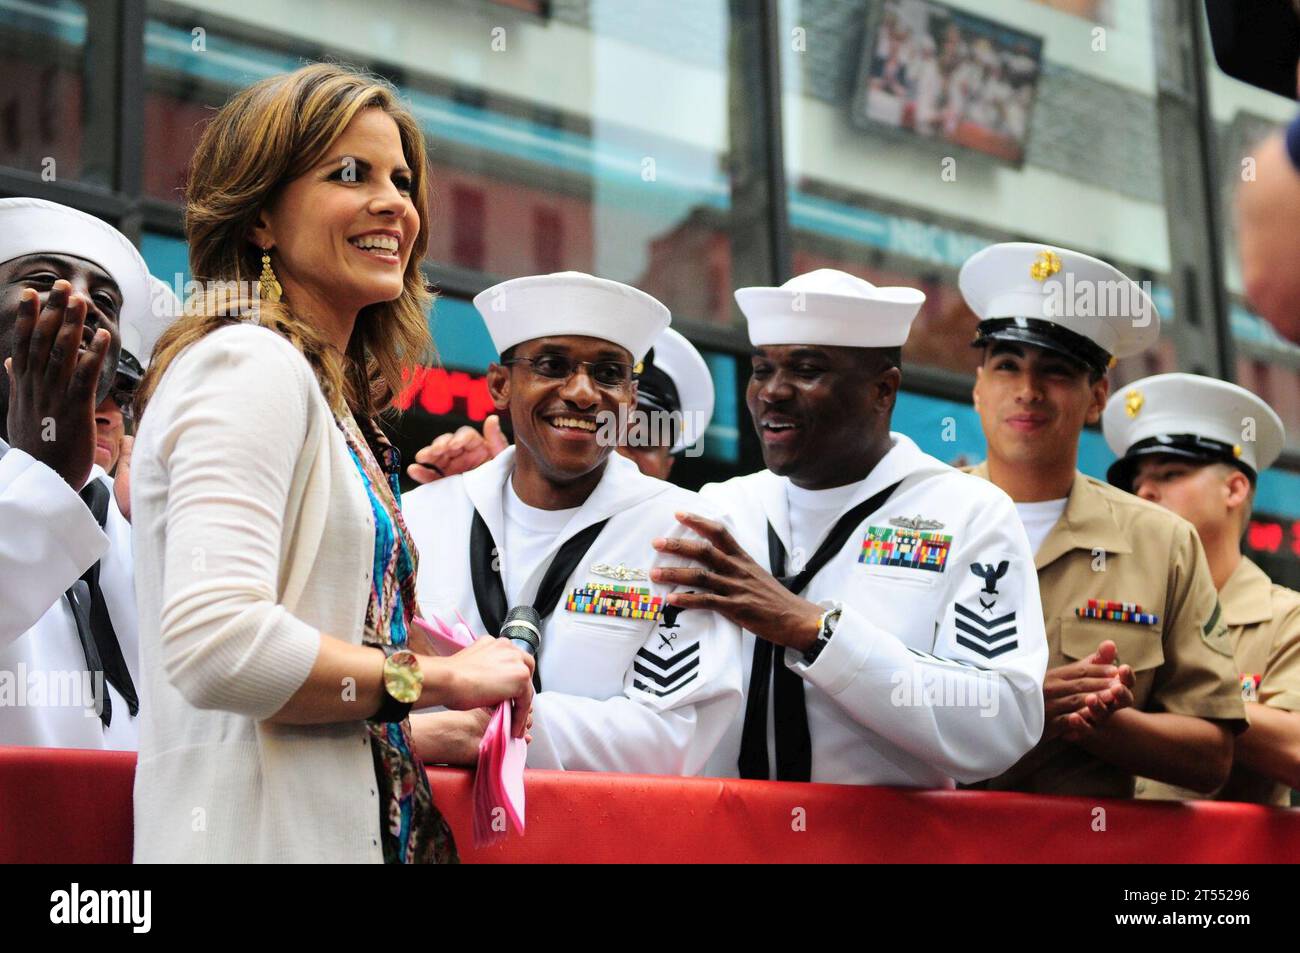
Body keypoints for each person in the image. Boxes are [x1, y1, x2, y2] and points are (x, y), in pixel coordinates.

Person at [129, 63, 534, 864]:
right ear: (260, 221)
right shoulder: (249, 363)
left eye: (402, 179)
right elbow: (219, 647)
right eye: (349, 173)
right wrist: (437, 678)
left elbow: (289, 679)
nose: (394, 203)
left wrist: (406, 717)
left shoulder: (321, 391)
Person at [657, 268, 1050, 786]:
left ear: (882, 390)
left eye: (806, 369)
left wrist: (819, 635)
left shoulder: (967, 513)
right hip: (722, 840)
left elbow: (1002, 722)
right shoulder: (717, 513)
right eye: (761, 369)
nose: (772, 392)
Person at [402, 271, 742, 775]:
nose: (583, 393)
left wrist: (494, 731)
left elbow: (675, 735)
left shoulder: (684, 532)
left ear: (629, 395)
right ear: (499, 384)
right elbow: (372, 681)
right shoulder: (418, 516)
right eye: (552, 365)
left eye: (608, 374)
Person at [961, 243, 1246, 798]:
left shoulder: (1162, 541)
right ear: (978, 387)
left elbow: (1213, 756)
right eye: (1007, 366)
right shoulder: (914, 519)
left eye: (1057, 371)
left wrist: (1102, 724)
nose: (1027, 390)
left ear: (1097, 398)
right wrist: (1019, 712)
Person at [1104, 373, 1300, 804]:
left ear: (1234, 489)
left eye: (1170, 474)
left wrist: (1189, 700)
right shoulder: (1105, 605)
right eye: (1136, 484)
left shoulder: (1287, 620)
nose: (1146, 492)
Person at [0, 197, 151, 748]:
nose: (81, 305)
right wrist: (42, 480)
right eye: (43, 280)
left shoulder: (134, 506)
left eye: (105, 300)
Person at [407, 326, 715, 485]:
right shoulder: (477, 496)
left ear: (668, 464)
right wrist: (481, 501)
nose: (617, 450)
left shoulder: (690, 549)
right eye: (553, 367)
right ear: (501, 385)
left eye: (642, 439)